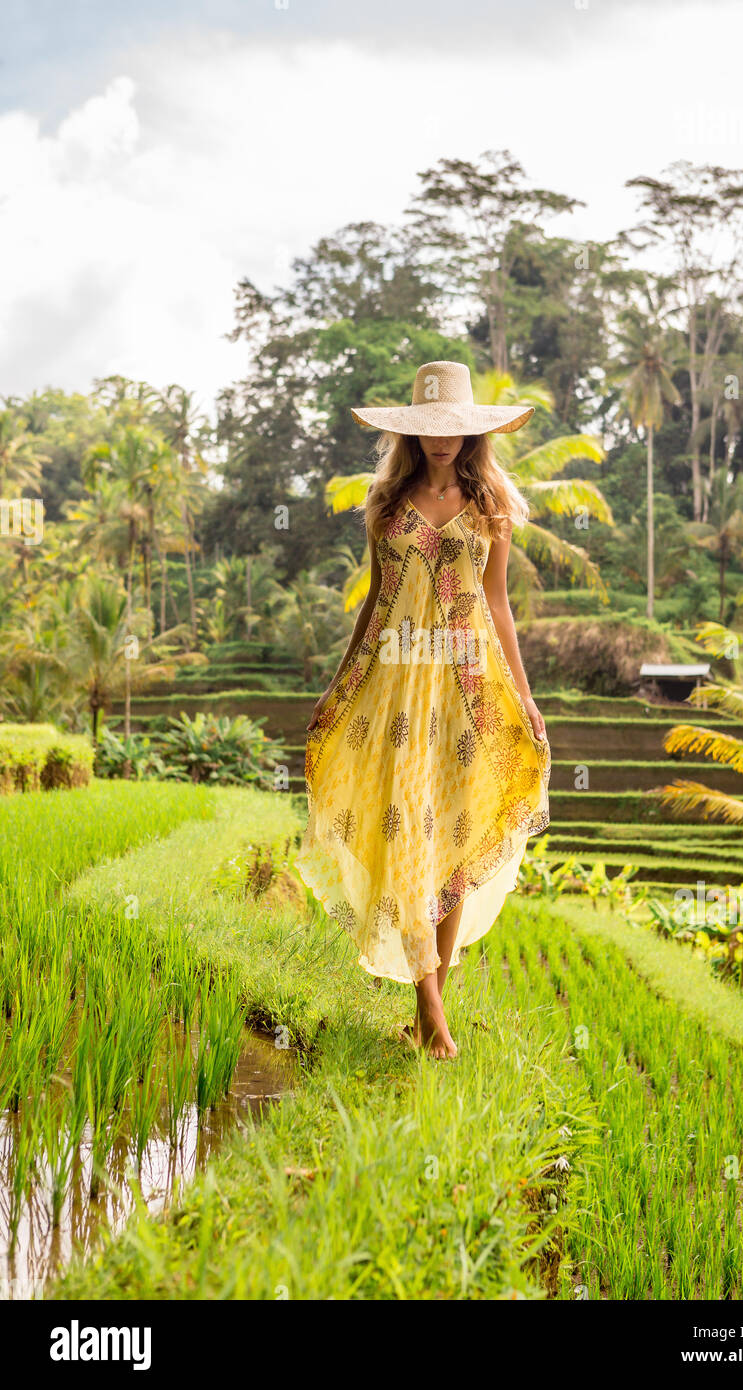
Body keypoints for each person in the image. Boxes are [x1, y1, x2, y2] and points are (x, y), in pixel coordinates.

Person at [296, 360, 550, 1059]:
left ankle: (424, 1010)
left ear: (471, 433)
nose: (441, 443)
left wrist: (524, 699)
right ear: (411, 432)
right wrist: (339, 686)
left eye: (453, 431)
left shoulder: (493, 504)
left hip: (471, 686)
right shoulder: (387, 505)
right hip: (400, 686)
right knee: (408, 831)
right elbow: (377, 603)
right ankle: (430, 1004)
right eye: (429, 431)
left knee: (456, 839)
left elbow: (497, 604)